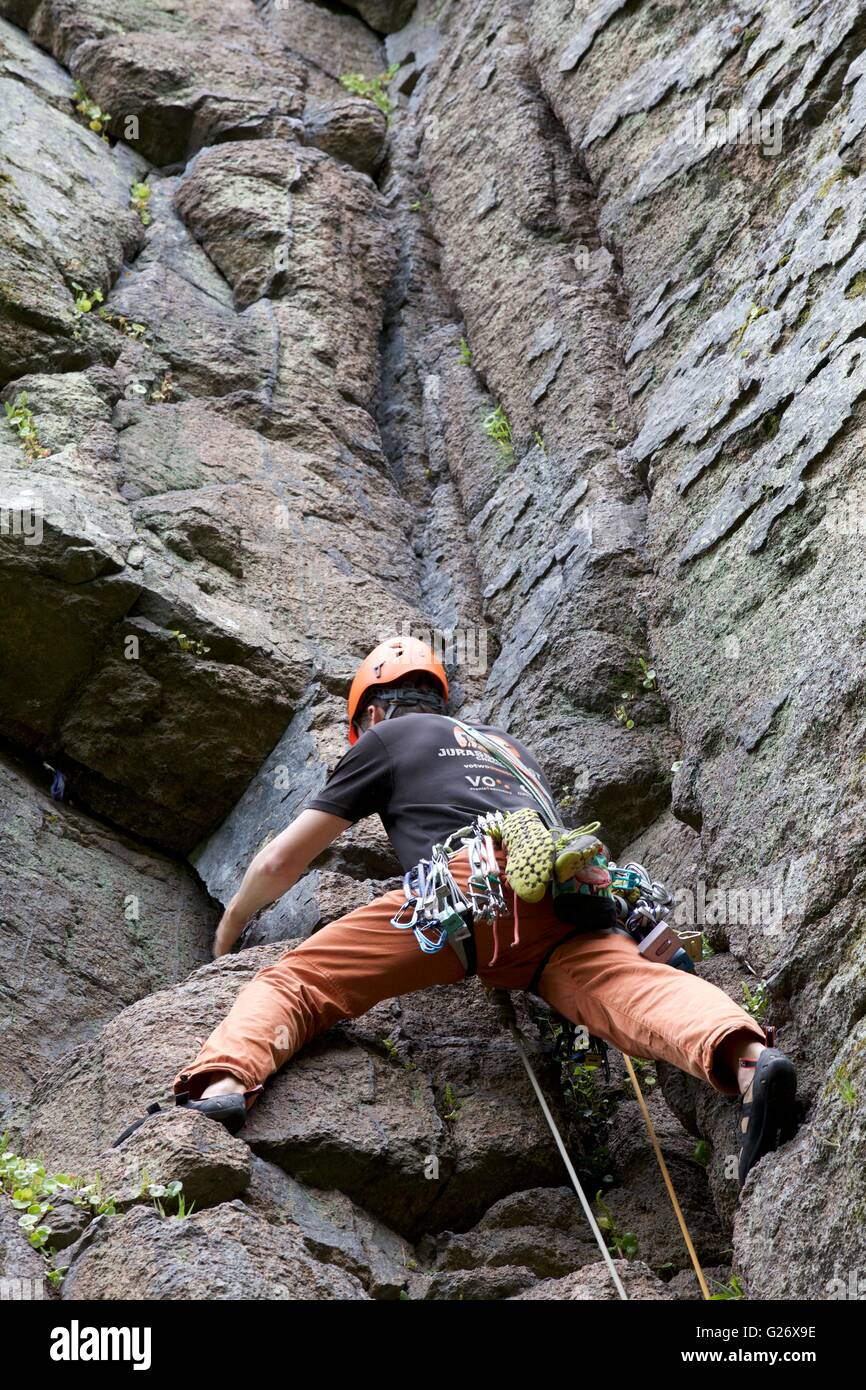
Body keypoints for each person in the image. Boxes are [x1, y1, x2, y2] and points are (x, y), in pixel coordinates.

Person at [171, 636, 797, 1187]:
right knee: (633, 992)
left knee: (300, 982)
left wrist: (227, 933)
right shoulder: (509, 751)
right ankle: (748, 1061)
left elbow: (282, 862)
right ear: (440, 699)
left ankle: (223, 1085)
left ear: (372, 711)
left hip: (470, 888)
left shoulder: (390, 736)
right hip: (572, 897)